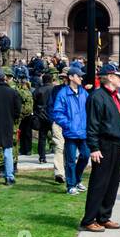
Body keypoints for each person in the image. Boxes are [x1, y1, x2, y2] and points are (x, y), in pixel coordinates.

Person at [80, 63, 120, 232]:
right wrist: (94, 147)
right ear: (109, 77)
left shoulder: (115, 96)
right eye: (118, 76)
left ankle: (104, 216)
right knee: (99, 183)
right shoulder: (97, 97)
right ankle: (89, 219)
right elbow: (92, 124)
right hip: (104, 145)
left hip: (117, 145)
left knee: (112, 183)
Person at [52, 63, 90, 194]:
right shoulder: (63, 94)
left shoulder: (84, 93)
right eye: (79, 76)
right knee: (70, 160)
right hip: (70, 133)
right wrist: (68, 124)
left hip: (83, 132)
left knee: (85, 156)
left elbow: (89, 109)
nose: (81, 78)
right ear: (72, 77)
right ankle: (71, 185)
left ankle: (77, 179)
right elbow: (57, 112)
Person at [32, 72, 57, 165]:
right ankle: (60, 155)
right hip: (53, 115)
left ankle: (42, 157)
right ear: (51, 80)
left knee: (42, 137)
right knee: (58, 137)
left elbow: (33, 103)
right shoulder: (55, 90)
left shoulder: (38, 90)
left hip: (41, 115)